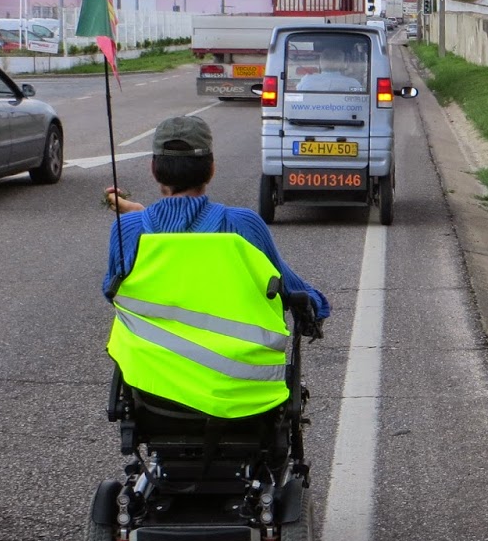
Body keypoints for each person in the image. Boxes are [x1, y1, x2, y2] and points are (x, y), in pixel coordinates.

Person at [102, 116, 329, 417]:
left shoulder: (128, 230)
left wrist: (139, 218)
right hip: (245, 395)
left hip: (152, 392)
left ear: (154, 169)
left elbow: (112, 291)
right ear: (211, 168)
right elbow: (290, 288)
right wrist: (317, 306)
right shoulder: (242, 225)